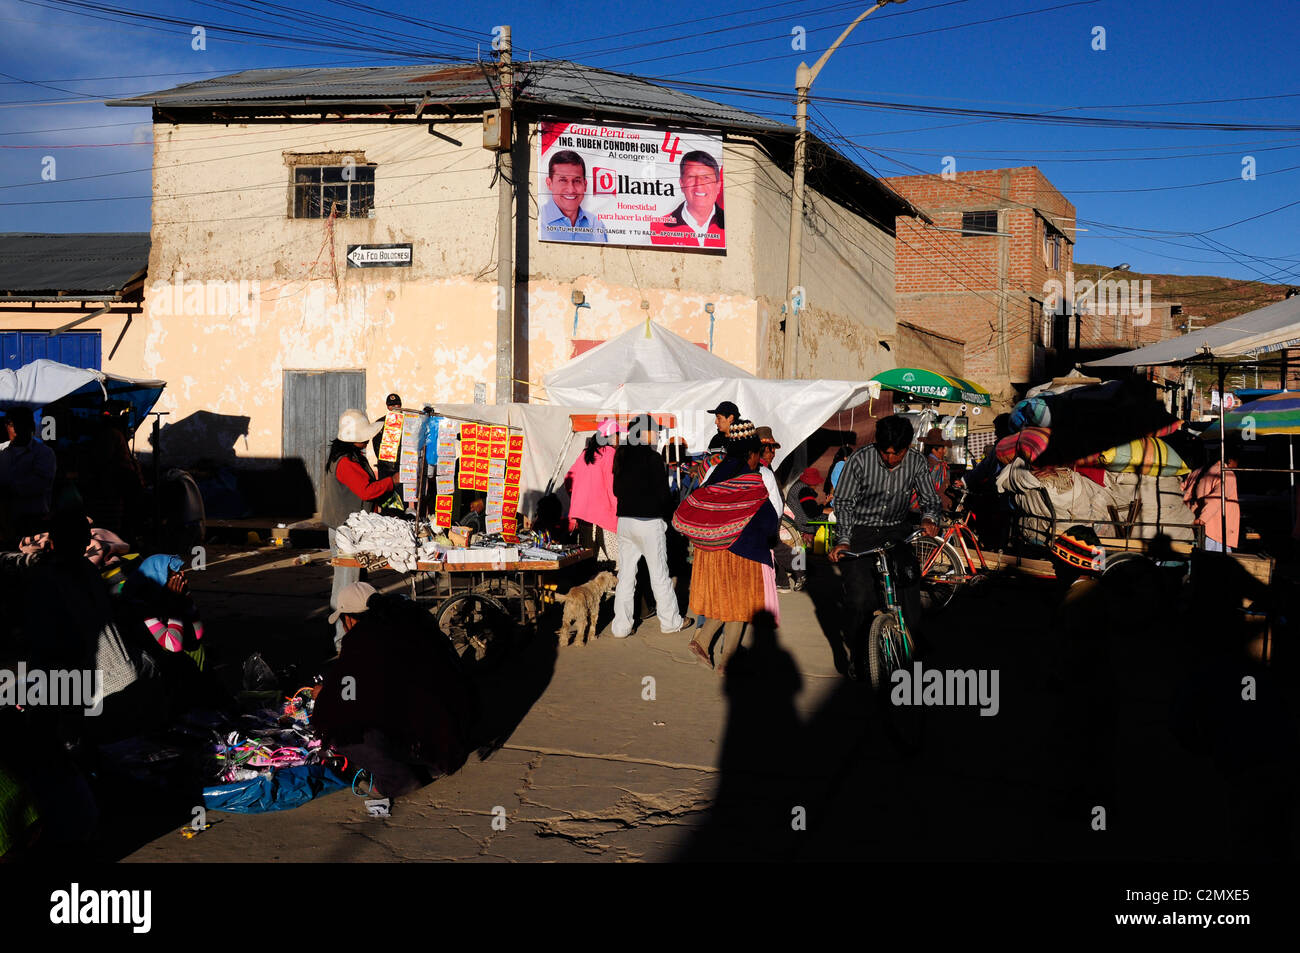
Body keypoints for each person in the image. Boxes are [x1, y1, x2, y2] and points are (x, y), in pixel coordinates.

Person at [312, 583, 479, 801]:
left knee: (344, 731)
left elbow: (348, 696)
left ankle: (396, 782)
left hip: (425, 733)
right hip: (454, 731)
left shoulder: (362, 641)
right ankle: (428, 765)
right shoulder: (409, 623)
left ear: (350, 619)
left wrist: (323, 696)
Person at [828, 415, 942, 680]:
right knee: (859, 599)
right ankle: (858, 655)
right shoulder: (860, 460)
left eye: (897, 453)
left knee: (909, 583)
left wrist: (929, 519)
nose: (891, 458)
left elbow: (931, 499)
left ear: (907, 447)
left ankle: (910, 641)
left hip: (895, 530)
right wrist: (843, 539)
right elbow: (843, 502)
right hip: (859, 532)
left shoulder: (915, 462)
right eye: (886, 452)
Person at [674, 420, 780, 674]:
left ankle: (703, 641)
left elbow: (701, 501)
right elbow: (769, 518)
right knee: (742, 604)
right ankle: (727, 660)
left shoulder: (716, 470)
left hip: (712, 550)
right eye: (757, 454)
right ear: (751, 453)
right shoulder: (756, 477)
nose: (759, 459)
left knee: (728, 601)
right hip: (743, 550)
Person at [610, 414, 689, 637]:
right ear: (643, 433)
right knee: (659, 574)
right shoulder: (653, 458)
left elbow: (616, 491)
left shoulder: (621, 456)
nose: (657, 435)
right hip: (649, 523)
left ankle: (621, 627)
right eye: (654, 431)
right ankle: (671, 622)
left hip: (625, 522)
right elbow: (664, 496)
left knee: (626, 576)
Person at [322, 409, 395, 650]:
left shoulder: (350, 456)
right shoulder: (346, 462)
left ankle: (354, 636)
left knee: (355, 583)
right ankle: (343, 642)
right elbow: (366, 491)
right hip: (346, 531)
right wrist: (392, 481)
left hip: (350, 528)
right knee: (346, 585)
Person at [565, 418, 620, 566]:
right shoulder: (611, 454)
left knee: (587, 561)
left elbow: (568, 480)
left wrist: (578, 498)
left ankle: (586, 587)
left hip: (584, 515)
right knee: (614, 561)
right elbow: (614, 485)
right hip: (604, 516)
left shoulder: (585, 454)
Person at [0, 407, 57, 542]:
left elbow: (40, 483)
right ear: (7, 426)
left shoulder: (44, 453)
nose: (18, 428)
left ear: (31, 426)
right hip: (3, 520)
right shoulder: (1, 451)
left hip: (32, 519)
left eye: (23, 423)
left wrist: (7, 489)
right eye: (13, 424)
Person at [650, 150, 725, 248]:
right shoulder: (659, 227)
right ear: (681, 184)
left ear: (718, 186)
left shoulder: (730, 225)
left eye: (706, 178)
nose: (699, 185)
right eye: (691, 177)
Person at [540, 150, 608, 243]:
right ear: (549, 184)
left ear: (585, 185)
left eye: (577, 181)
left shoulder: (596, 225)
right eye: (563, 180)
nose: (571, 189)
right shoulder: (539, 222)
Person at [1182, 446, 1240, 553]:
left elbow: (1183, 491)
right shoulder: (1227, 474)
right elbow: (1216, 499)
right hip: (1214, 531)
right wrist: (1202, 519)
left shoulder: (1199, 471)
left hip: (1194, 526)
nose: (1237, 466)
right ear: (1230, 460)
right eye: (1237, 461)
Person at [912, 428, 956, 513]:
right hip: (934, 510)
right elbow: (932, 492)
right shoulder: (937, 467)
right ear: (934, 449)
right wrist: (948, 504)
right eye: (942, 448)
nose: (944, 451)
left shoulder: (923, 463)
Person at [371, 393, 403, 482]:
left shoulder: (408, 421)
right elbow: (376, 443)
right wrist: (385, 460)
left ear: (400, 405)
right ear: (387, 407)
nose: (394, 407)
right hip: (385, 468)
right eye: (391, 405)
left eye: (396, 404)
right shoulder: (380, 422)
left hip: (402, 467)